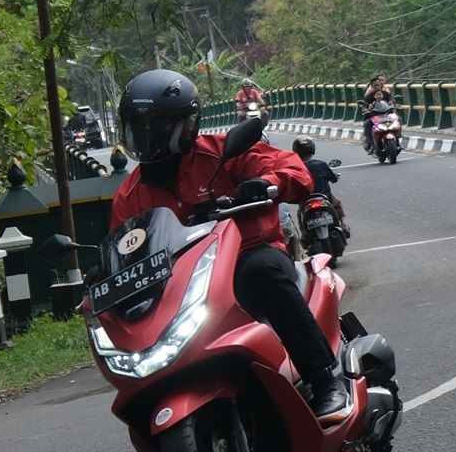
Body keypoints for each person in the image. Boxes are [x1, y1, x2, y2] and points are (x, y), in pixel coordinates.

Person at [110, 69, 346, 417]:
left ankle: (325, 378)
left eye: (158, 126)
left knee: (262, 273)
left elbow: (295, 172)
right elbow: (122, 244)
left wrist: (266, 182)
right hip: (182, 283)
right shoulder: (130, 193)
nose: (148, 136)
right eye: (139, 127)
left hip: (247, 256)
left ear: (187, 125)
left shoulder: (223, 152)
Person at [292, 136, 349, 232]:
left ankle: (303, 234)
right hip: (324, 198)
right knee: (337, 203)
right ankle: (343, 225)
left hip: (305, 201)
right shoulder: (321, 164)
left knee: (300, 213)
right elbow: (334, 179)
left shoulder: (294, 168)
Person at [360, 74, 393, 151]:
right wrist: (366, 109)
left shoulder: (386, 93)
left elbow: (391, 100)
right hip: (374, 115)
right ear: (371, 86)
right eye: (375, 85)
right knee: (367, 124)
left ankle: (398, 138)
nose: (378, 86)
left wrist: (394, 104)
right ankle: (370, 143)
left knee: (398, 118)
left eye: (379, 84)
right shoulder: (369, 95)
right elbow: (365, 105)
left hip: (386, 114)